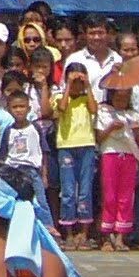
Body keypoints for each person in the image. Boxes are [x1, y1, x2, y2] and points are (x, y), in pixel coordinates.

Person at [0, 90, 57, 234]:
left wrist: (44, 174)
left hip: (32, 171)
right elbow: (3, 155)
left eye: (22, 106)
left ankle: (49, 231)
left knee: (40, 202)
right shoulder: (8, 131)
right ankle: (13, 232)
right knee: (14, 203)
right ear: (8, 110)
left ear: (28, 109)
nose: (18, 110)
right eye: (15, 107)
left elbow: (44, 151)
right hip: (13, 172)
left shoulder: (35, 128)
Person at [52, 63, 99, 251]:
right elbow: (61, 109)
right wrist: (69, 86)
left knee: (85, 190)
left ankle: (84, 233)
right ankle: (69, 233)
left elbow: (94, 110)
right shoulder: (59, 96)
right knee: (69, 191)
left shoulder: (87, 97)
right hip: (66, 146)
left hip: (86, 145)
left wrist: (87, 86)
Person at [95, 78, 139, 252]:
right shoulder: (104, 111)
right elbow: (99, 138)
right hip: (110, 154)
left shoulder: (134, 114)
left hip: (129, 156)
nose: (121, 101)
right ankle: (107, 237)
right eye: (118, 98)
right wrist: (110, 128)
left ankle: (121, 236)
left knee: (125, 197)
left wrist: (137, 131)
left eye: (124, 98)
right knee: (109, 196)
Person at [64, 15, 121, 92]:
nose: (96, 37)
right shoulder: (74, 60)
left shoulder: (118, 59)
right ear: (85, 35)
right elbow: (64, 89)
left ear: (108, 34)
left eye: (100, 33)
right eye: (92, 33)